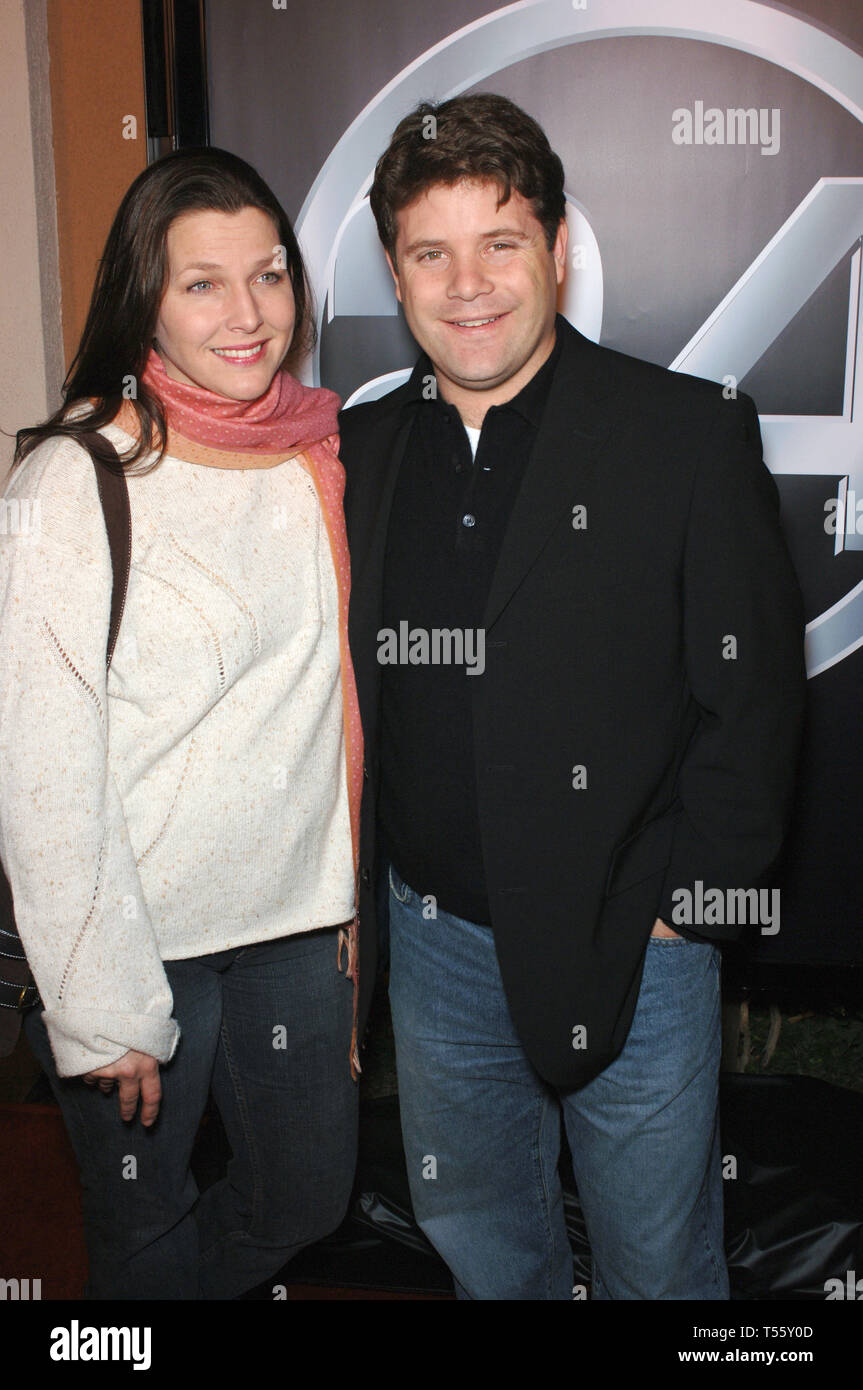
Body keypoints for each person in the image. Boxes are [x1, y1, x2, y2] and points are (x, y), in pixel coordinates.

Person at [338, 93, 807, 1300]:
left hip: (631, 947)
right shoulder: (364, 450)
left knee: (658, 1268)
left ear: (556, 250)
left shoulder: (683, 434)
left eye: (500, 242)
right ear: (397, 278)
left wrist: (682, 912)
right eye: (430, 254)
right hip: (435, 950)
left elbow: (750, 704)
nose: (468, 284)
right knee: (487, 1251)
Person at [0, 148, 366, 1300]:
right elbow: (40, 761)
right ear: (143, 297)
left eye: (268, 274)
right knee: (143, 1238)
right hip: (141, 940)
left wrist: (352, 891)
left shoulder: (312, 448)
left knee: (306, 1196)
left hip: (297, 931)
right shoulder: (76, 476)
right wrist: (100, 1001)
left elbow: (326, 696)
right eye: (202, 282)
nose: (248, 314)